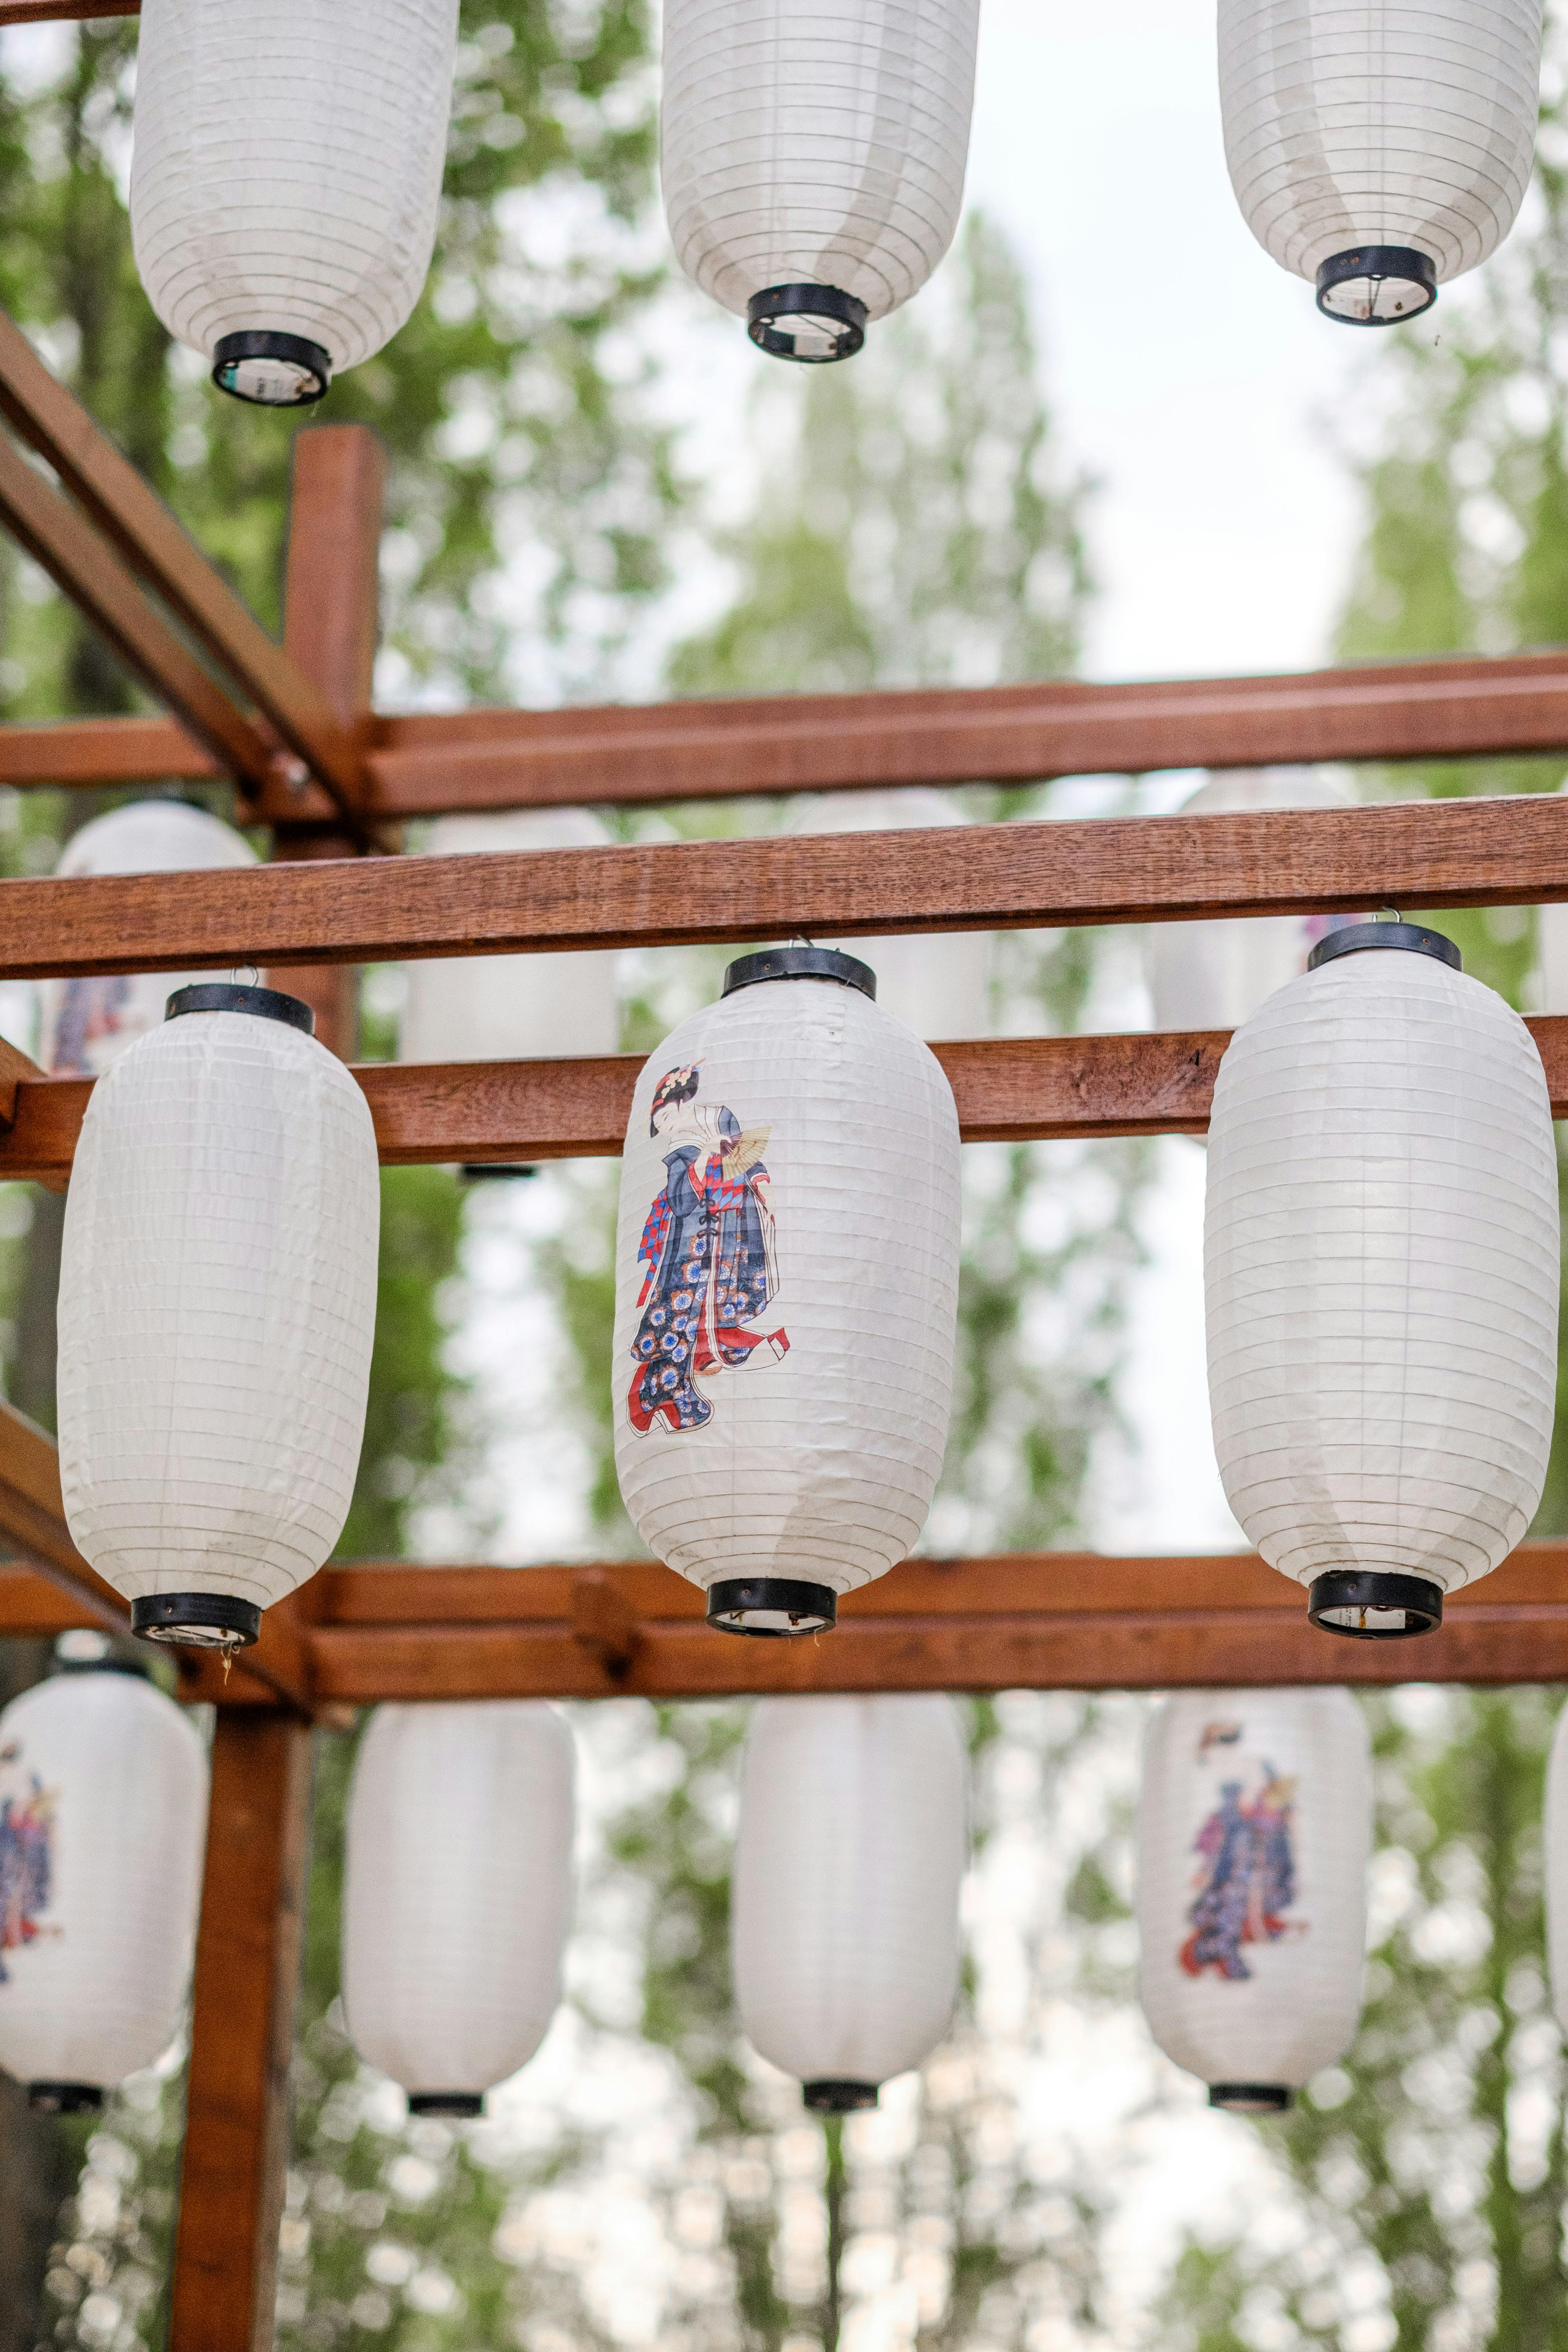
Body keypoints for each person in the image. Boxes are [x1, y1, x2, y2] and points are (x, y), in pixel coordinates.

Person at [627, 1062, 787, 1434]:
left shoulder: (719, 1118)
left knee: (724, 1290)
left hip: (729, 1221)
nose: (664, 1126)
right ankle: (662, 1393)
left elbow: (745, 1157)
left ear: (680, 1101)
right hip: (693, 1232)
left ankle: (713, 1348)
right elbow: (680, 1200)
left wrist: (762, 1185)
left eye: (664, 1116)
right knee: (683, 1306)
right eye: (660, 1123)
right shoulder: (680, 1146)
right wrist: (703, 1156)